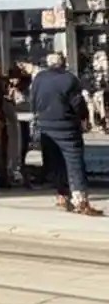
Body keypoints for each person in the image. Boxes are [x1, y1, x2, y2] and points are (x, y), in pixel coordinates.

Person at [31, 52, 103, 216]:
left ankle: (62, 195)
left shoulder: (39, 78)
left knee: (56, 163)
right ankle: (80, 199)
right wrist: (84, 119)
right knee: (74, 163)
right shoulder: (69, 79)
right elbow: (78, 104)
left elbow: (33, 101)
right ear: (63, 64)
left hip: (46, 126)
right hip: (67, 127)